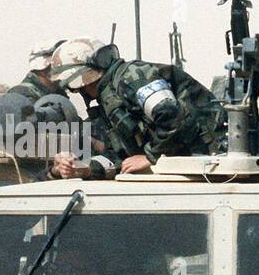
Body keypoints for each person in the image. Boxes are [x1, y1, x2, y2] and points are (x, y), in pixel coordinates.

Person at [48, 38, 226, 179]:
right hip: (184, 166)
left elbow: (172, 115)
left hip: (210, 161)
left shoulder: (132, 76)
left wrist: (150, 156)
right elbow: (122, 159)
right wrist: (85, 169)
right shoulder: (107, 100)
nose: (77, 91)